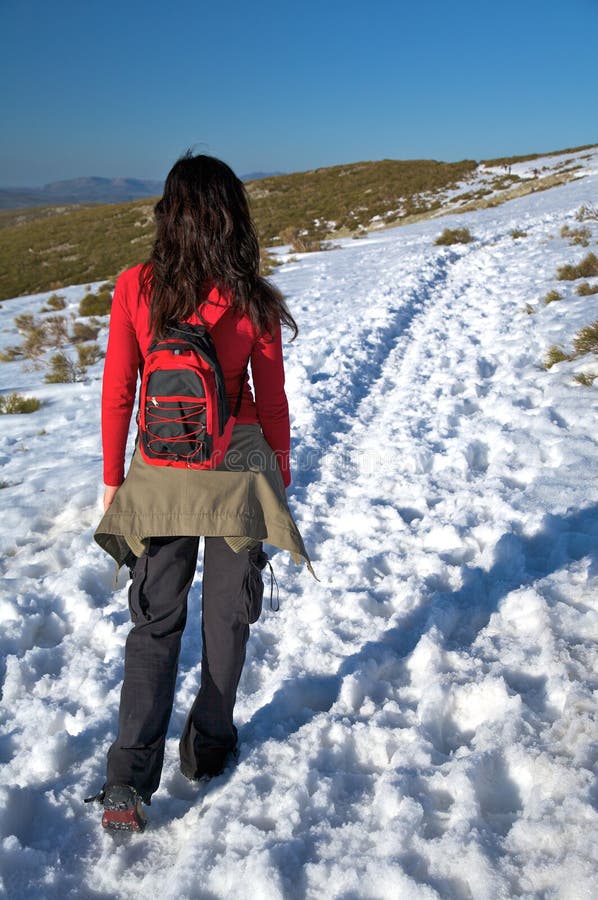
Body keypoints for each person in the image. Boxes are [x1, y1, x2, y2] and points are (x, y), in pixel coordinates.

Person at [89, 153, 312, 832]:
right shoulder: (253, 297)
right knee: (228, 619)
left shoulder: (137, 286)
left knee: (154, 623)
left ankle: (128, 781)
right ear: (232, 217)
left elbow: (119, 390)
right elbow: (268, 401)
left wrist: (111, 481)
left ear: (170, 213)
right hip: (239, 466)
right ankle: (209, 747)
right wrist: (280, 474)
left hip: (159, 469)